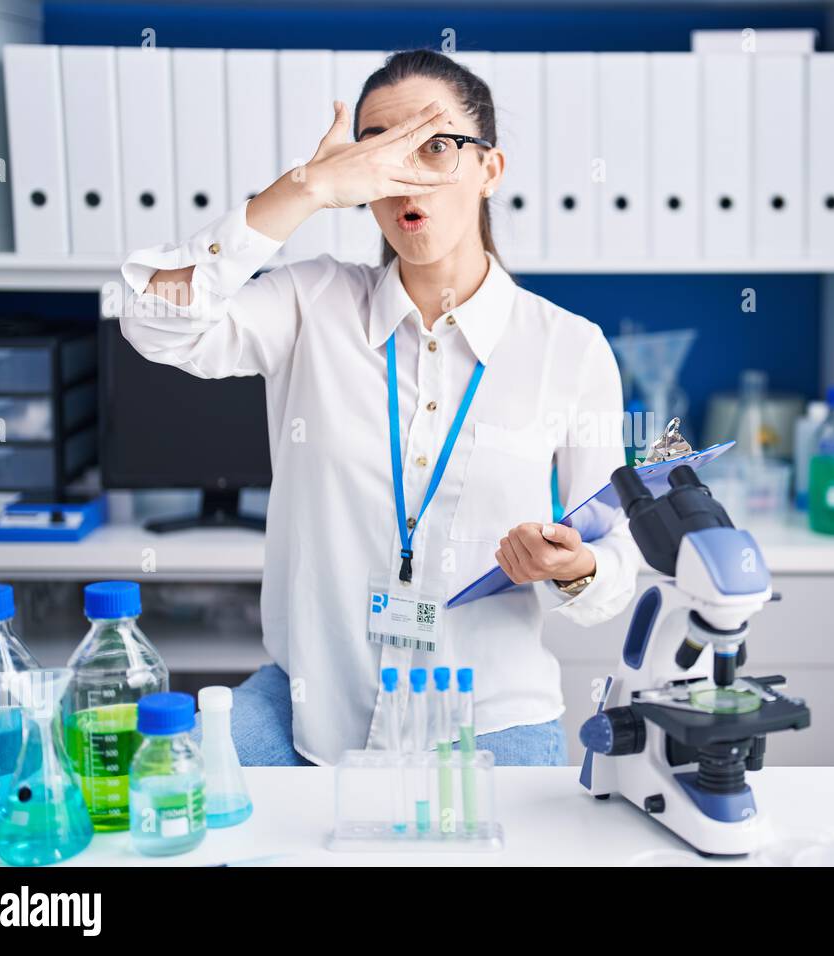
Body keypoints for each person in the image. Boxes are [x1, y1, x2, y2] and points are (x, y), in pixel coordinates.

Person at [118, 50, 639, 767]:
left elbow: (613, 565)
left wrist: (573, 566)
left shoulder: (570, 349)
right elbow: (154, 321)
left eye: (436, 146)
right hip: (315, 711)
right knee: (180, 804)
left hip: (489, 718)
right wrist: (304, 188)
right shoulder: (312, 303)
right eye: (380, 152)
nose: (407, 176)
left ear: (490, 169)